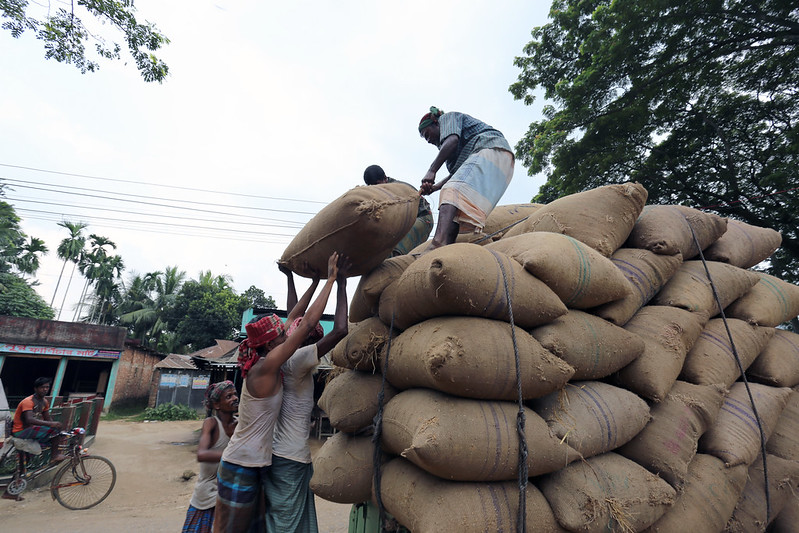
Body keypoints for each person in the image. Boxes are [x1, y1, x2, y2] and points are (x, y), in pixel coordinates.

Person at [213, 252, 343, 533]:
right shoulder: (267, 367)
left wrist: (312, 282)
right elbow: (305, 325)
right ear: (271, 346)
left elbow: (294, 317)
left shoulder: (268, 356)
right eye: (282, 336)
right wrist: (332, 279)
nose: (287, 335)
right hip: (242, 464)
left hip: (257, 462)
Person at [265, 259, 350, 533]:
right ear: (309, 341)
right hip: (291, 459)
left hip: (279, 454)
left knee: (284, 520)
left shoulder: (280, 356)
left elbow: (293, 316)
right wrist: (339, 283)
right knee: (287, 524)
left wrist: (296, 279)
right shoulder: (297, 360)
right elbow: (341, 330)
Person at [417, 106, 515, 250]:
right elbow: (456, 174)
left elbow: (452, 140)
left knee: (451, 191)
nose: (428, 140)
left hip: (490, 147)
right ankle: (446, 247)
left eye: (427, 134)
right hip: (502, 163)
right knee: (456, 207)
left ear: (435, 124)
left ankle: (437, 243)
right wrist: (435, 187)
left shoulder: (447, 119)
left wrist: (432, 171)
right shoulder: (452, 154)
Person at [182, 381, 239, 533]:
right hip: (207, 496)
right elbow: (202, 454)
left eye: (235, 394)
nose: (235, 398)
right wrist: (235, 456)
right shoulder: (211, 423)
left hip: (230, 493)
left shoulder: (240, 425)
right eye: (229, 396)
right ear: (217, 405)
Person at [3, 377, 66, 501]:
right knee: (54, 431)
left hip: (31, 432)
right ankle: (54, 456)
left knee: (23, 463)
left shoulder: (44, 402)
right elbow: (29, 419)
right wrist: (52, 426)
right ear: (36, 388)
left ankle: (10, 493)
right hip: (21, 432)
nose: (45, 389)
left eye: (47, 387)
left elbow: (47, 418)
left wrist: (56, 426)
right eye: (42, 387)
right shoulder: (28, 401)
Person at [363, 164, 434, 256]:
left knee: (397, 249)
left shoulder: (399, 188)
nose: (377, 188)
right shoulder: (376, 194)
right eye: (373, 187)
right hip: (402, 223)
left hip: (422, 217)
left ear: (385, 178)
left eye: (377, 184)